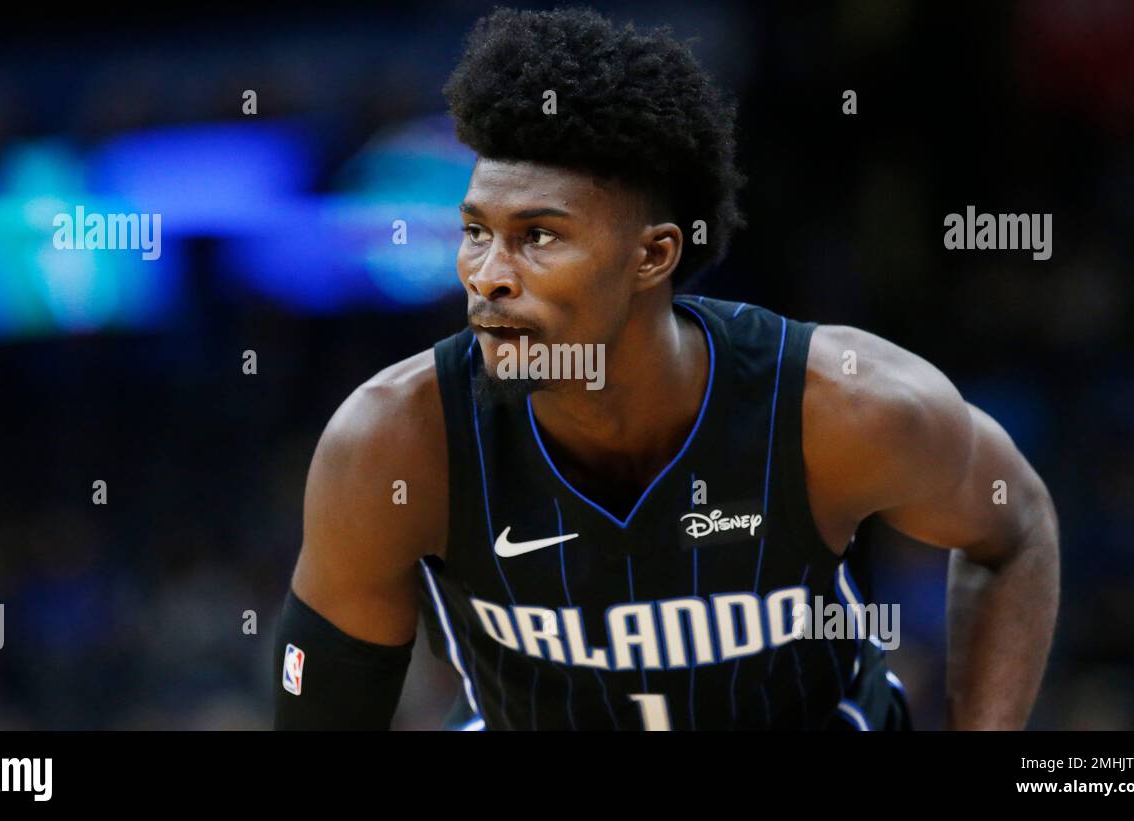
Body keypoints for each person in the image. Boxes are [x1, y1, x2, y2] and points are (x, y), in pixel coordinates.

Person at [274, 7, 1059, 731]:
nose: (488, 274)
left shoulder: (843, 404)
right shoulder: (390, 446)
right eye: (477, 231)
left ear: (653, 255)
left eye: (539, 236)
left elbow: (1016, 527)